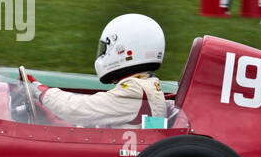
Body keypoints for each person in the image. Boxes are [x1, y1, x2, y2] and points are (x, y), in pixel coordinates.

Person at [25, 13, 168, 128]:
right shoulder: (146, 86)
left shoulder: (134, 91)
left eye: (106, 48)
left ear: (126, 51)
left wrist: (41, 92)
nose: (104, 54)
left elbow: (75, 109)